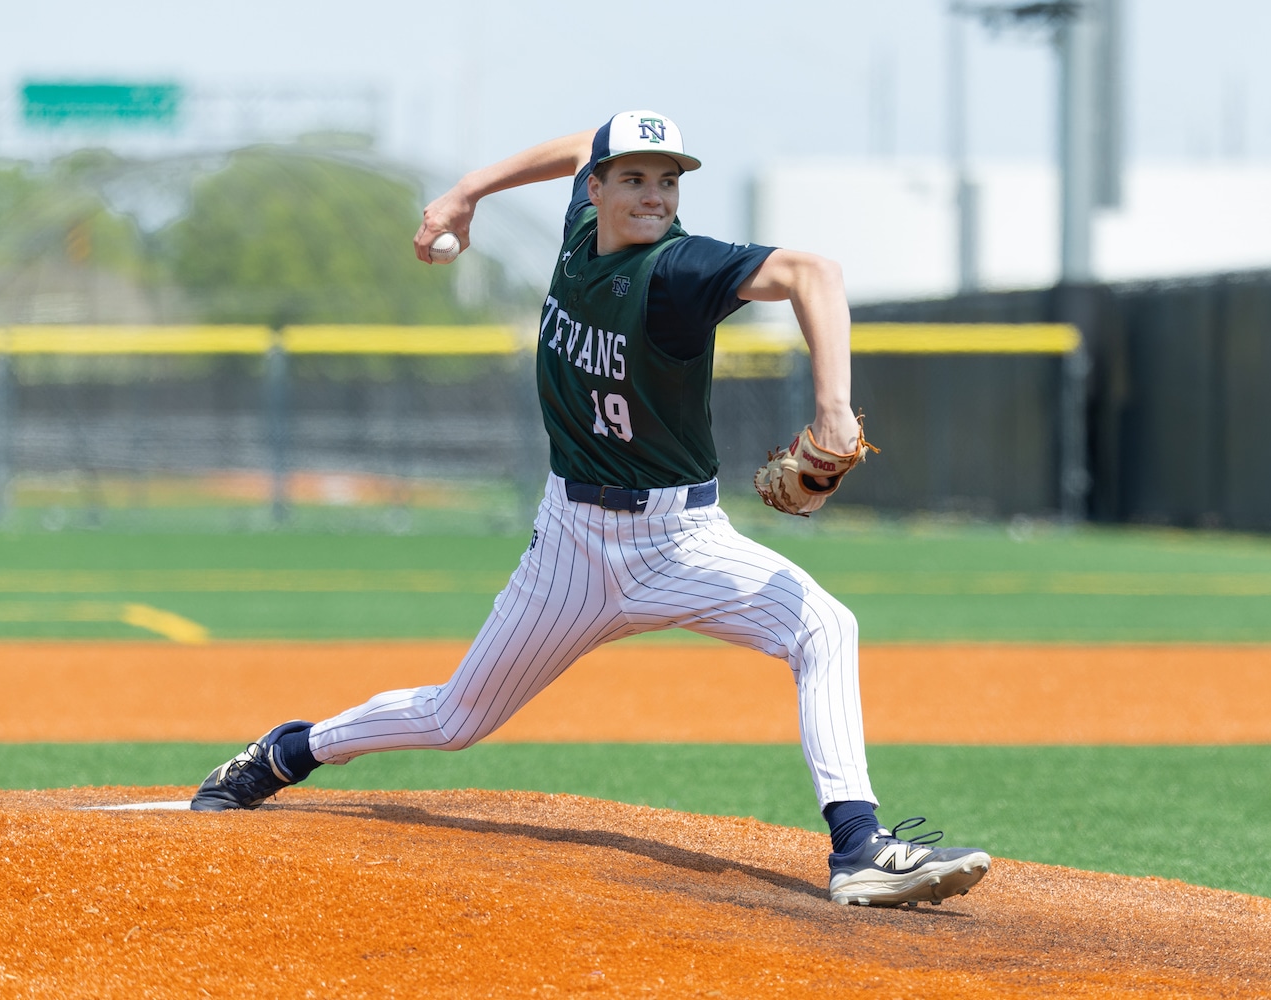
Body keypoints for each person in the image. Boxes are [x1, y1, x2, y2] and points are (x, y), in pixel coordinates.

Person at [190, 110, 990, 908]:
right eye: (635, 178)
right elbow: (579, 144)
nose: (654, 195)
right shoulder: (580, 234)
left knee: (825, 625)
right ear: (596, 190)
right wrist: (468, 192)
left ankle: (857, 846)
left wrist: (836, 412)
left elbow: (815, 274)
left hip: (681, 542)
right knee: (454, 718)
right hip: (569, 547)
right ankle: (289, 752)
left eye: (669, 181)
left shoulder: (677, 274)